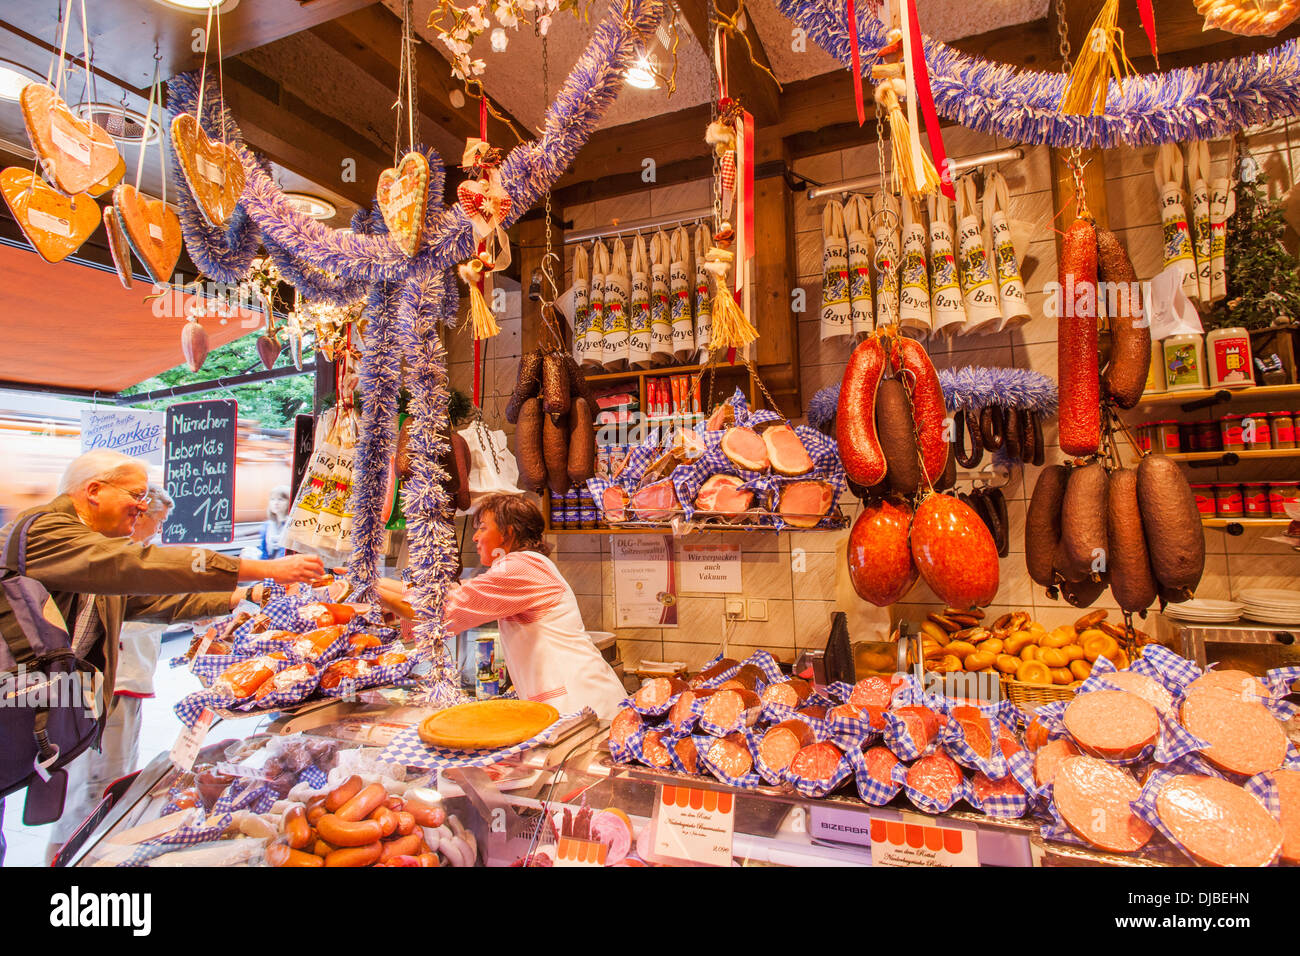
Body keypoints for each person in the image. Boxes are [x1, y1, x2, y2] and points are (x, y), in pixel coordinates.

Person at [0, 450, 323, 865]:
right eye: (136, 493)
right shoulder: (46, 530)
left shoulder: (93, 556)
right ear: (94, 491)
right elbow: (135, 566)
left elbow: (153, 599)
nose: (142, 504)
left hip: (24, 709)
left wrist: (246, 595)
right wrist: (262, 569)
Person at [376, 493, 625, 719]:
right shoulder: (525, 566)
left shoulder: (520, 567)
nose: (475, 537)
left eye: (482, 528)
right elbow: (452, 594)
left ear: (509, 532)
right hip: (578, 703)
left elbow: (442, 610)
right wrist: (372, 583)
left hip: (581, 706)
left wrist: (371, 590)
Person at [43, 482, 177, 862]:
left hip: (121, 685)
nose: (158, 529)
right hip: (109, 688)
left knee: (101, 784)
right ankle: (77, 861)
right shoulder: (110, 561)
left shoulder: (128, 557)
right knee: (94, 789)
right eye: (157, 520)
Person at [258, 485, 291, 560]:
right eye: (272, 499)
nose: (276, 503)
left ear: (289, 502)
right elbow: (264, 552)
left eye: (281, 499)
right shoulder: (266, 526)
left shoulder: (292, 526)